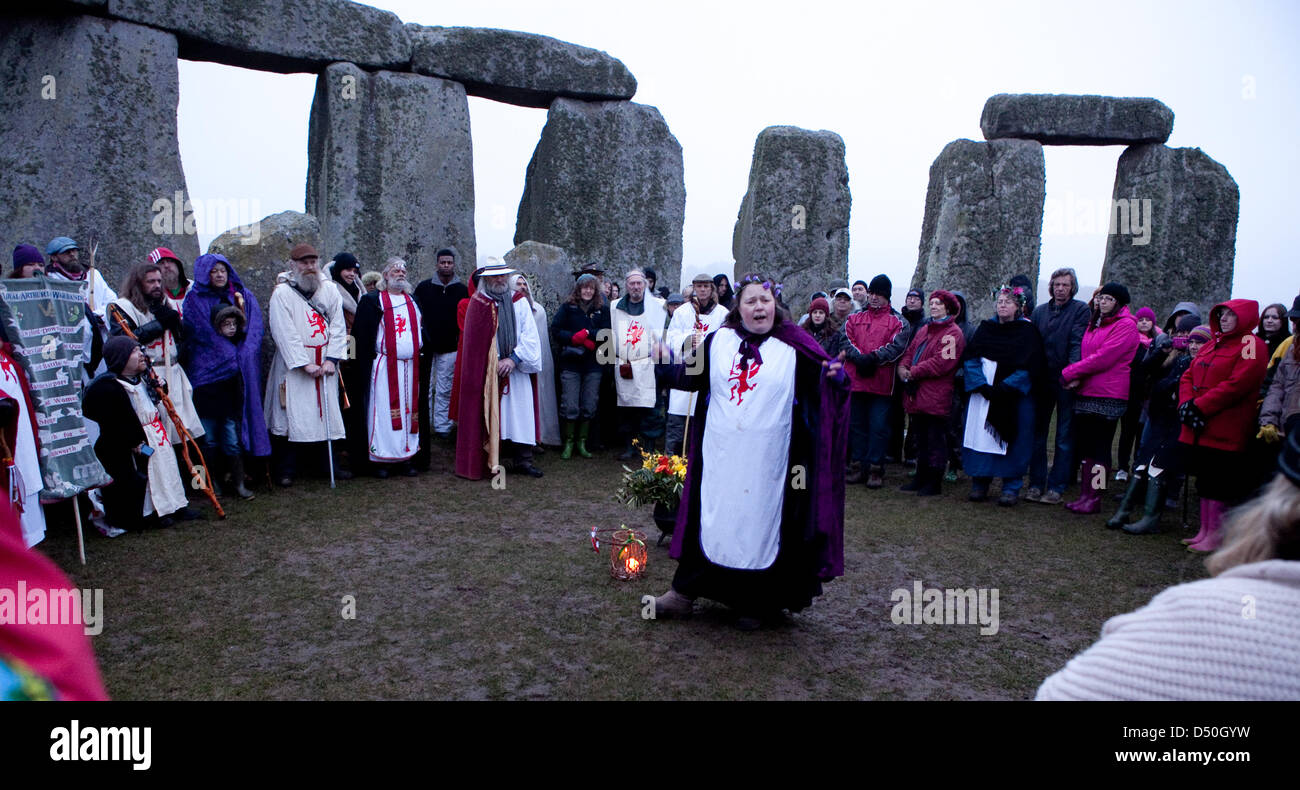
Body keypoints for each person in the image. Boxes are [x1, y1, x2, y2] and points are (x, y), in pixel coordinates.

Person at [1036, 428, 1300, 701]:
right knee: (1112, 458)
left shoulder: (1195, 612)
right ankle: (1092, 496)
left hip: (1132, 404)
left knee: (1109, 453)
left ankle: (1097, 497)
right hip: (1162, 413)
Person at [651, 273, 851, 629]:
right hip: (720, 460)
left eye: (765, 300)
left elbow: (827, 390)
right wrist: (665, 359)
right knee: (712, 520)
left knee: (762, 530)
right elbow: (688, 377)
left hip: (772, 466)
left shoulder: (797, 346)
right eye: (751, 301)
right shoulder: (719, 342)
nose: (759, 307)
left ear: (776, 305)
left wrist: (836, 379)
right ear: (737, 308)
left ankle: (756, 602)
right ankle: (683, 594)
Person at [83, 337, 201, 530]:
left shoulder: (143, 379)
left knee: (167, 470)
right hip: (137, 440)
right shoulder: (109, 386)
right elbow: (114, 419)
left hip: (156, 433)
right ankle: (153, 512)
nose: (141, 355)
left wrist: (159, 388)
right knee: (150, 476)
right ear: (121, 358)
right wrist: (135, 442)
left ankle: (176, 505)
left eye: (140, 350)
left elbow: (153, 401)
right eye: (134, 352)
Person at [1179, 300, 1269, 553]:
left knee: (1219, 481)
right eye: (1222, 315)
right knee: (1206, 479)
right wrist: (1186, 403)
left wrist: (1201, 406)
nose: (1225, 319)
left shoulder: (1251, 344)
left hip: (1225, 425)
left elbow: (1240, 382)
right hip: (1201, 425)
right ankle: (1205, 531)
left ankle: (1216, 535)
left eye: (1231, 315)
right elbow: (1189, 374)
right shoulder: (1212, 344)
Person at [180, 254, 269, 500]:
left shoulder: (242, 295)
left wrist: (243, 353)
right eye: (213, 271)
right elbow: (202, 333)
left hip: (234, 379)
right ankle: (210, 483)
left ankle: (238, 481)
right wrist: (231, 355)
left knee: (231, 434)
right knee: (207, 436)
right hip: (206, 379)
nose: (219, 275)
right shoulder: (195, 300)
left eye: (223, 270)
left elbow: (254, 329)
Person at [264, 244, 349, 486]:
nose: (309, 266)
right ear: (293, 265)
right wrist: (303, 364)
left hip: (326, 363)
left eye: (313, 261)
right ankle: (287, 470)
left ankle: (329, 466)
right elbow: (283, 331)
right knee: (291, 416)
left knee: (327, 415)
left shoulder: (330, 290)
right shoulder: (282, 293)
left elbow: (338, 326)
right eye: (303, 262)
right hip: (295, 366)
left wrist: (332, 359)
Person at [1108, 317, 1203, 534]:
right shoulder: (1175, 358)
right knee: (1142, 462)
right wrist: (1161, 353)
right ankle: (1125, 509)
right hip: (1158, 414)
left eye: (1196, 340)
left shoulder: (1196, 363)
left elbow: (1179, 387)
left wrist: (1168, 386)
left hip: (1179, 419)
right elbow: (1148, 373)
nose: (1189, 342)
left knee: (1160, 466)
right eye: (1185, 336)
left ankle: (1150, 515)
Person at [454, 260, 544, 480]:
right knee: (491, 415)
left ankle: (523, 460)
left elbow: (529, 335)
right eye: (494, 276)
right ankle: (492, 460)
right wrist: (493, 362)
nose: (500, 279)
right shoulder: (478, 303)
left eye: (503, 275)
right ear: (485, 279)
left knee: (520, 415)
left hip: (516, 370)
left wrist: (512, 360)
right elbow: (475, 344)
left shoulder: (519, 302)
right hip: (488, 374)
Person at [1059, 282, 1140, 515]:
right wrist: (1078, 377)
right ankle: (1085, 494)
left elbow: (1104, 357)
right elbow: (1087, 352)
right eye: (1101, 298)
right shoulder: (1095, 323)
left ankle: (1095, 497)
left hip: (1109, 394)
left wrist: (1070, 372)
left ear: (1119, 303)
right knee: (1087, 447)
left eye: (1109, 299)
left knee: (1101, 448)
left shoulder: (1126, 326)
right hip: (1087, 390)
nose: (1102, 302)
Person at [961, 285, 1046, 506]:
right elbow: (971, 357)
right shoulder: (986, 329)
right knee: (982, 437)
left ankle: (1011, 486)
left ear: (1018, 307)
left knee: (1013, 438)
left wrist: (1006, 387)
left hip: (1012, 396)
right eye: (1000, 302)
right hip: (984, 394)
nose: (1002, 305)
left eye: (1008, 302)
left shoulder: (1027, 332)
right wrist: (980, 384)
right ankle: (980, 482)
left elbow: (1031, 365)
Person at [107, 261, 205, 447]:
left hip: (174, 373)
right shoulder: (121, 307)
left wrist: (177, 325)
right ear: (138, 283)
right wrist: (160, 324)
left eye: (159, 281)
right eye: (151, 281)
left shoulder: (163, 304)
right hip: (147, 376)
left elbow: (180, 340)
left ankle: (192, 476)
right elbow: (125, 342)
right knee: (159, 435)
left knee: (187, 434)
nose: (157, 285)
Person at [1025, 267, 1091, 505]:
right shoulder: (1039, 312)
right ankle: (1035, 483)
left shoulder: (1080, 310)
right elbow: (1032, 345)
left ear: (1072, 287)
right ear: (1051, 286)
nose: (1061, 288)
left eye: (1065, 284)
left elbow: (1077, 342)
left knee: (1064, 436)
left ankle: (1056, 486)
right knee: (1037, 434)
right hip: (1041, 379)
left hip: (1065, 379)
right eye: (1057, 284)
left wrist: (1073, 373)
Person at [352, 258, 423, 478]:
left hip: (410, 367)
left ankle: (406, 457)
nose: (400, 273)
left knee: (409, 412)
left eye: (404, 269)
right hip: (384, 367)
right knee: (383, 412)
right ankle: (381, 459)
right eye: (395, 269)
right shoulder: (373, 301)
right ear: (385, 275)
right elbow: (361, 335)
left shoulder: (412, 301)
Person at [842, 274, 912, 488]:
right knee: (856, 426)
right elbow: (846, 339)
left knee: (878, 427)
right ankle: (857, 466)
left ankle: (875, 469)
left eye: (879, 295)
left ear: (887, 297)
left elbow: (896, 346)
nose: (874, 298)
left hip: (882, 383)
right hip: (856, 381)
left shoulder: (899, 321)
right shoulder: (854, 317)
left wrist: (872, 358)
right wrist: (858, 358)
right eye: (872, 293)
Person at [897, 291, 965, 496]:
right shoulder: (925, 329)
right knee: (920, 437)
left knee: (935, 438)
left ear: (948, 308)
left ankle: (934, 481)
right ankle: (920, 476)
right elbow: (910, 351)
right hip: (917, 393)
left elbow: (943, 363)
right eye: (932, 303)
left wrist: (913, 372)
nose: (934, 306)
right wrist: (902, 367)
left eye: (939, 304)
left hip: (936, 393)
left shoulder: (953, 333)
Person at [663, 274, 729, 456]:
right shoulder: (682, 312)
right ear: (694, 288)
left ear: (711, 288)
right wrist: (688, 341)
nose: (702, 290)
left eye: (706, 286)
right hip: (685, 368)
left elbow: (726, 340)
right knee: (678, 421)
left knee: (703, 422)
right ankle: (673, 460)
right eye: (699, 286)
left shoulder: (722, 314)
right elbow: (671, 339)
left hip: (708, 373)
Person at [414, 247, 469, 453]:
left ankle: (443, 425)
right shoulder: (423, 288)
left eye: (449, 262)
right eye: (442, 262)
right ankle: (423, 423)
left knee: (445, 387)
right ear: (437, 264)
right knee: (424, 388)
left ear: (454, 264)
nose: (446, 265)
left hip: (450, 345)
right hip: (426, 345)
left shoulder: (461, 290)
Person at [551, 273, 610, 460]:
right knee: (569, 403)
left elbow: (607, 332)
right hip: (571, 362)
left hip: (593, 363)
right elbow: (556, 330)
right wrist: (573, 338)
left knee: (590, 403)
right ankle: (568, 441)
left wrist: (588, 335)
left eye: (591, 288)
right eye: (584, 287)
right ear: (578, 289)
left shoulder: (602, 309)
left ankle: (582, 442)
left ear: (595, 290)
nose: (587, 291)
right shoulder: (568, 308)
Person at [611, 269, 667, 460]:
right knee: (627, 407)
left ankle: (649, 448)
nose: (636, 287)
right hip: (625, 363)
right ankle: (631, 446)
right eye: (632, 283)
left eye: (639, 283)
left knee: (650, 407)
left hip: (648, 364)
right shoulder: (614, 307)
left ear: (645, 285)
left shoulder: (657, 306)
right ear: (626, 285)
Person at [0, 341, 46, 546]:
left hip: (22, 429)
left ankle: (31, 535)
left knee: (27, 473)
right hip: (6, 433)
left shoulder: (8, 357)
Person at [1115, 306, 1162, 482]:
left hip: (1147, 396)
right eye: (1140, 319)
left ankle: (1137, 465)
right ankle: (1122, 467)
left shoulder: (1158, 343)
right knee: (1127, 432)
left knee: (1142, 435)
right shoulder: (1132, 341)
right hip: (1130, 392)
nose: (1143, 322)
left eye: (1147, 320)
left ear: (1153, 323)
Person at [513, 273, 560, 447]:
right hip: (517, 362)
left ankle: (542, 435)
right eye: (518, 284)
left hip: (539, 361)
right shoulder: (509, 308)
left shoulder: (538, 310)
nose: (522, 287)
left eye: (524, 284)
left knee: (541, 398)